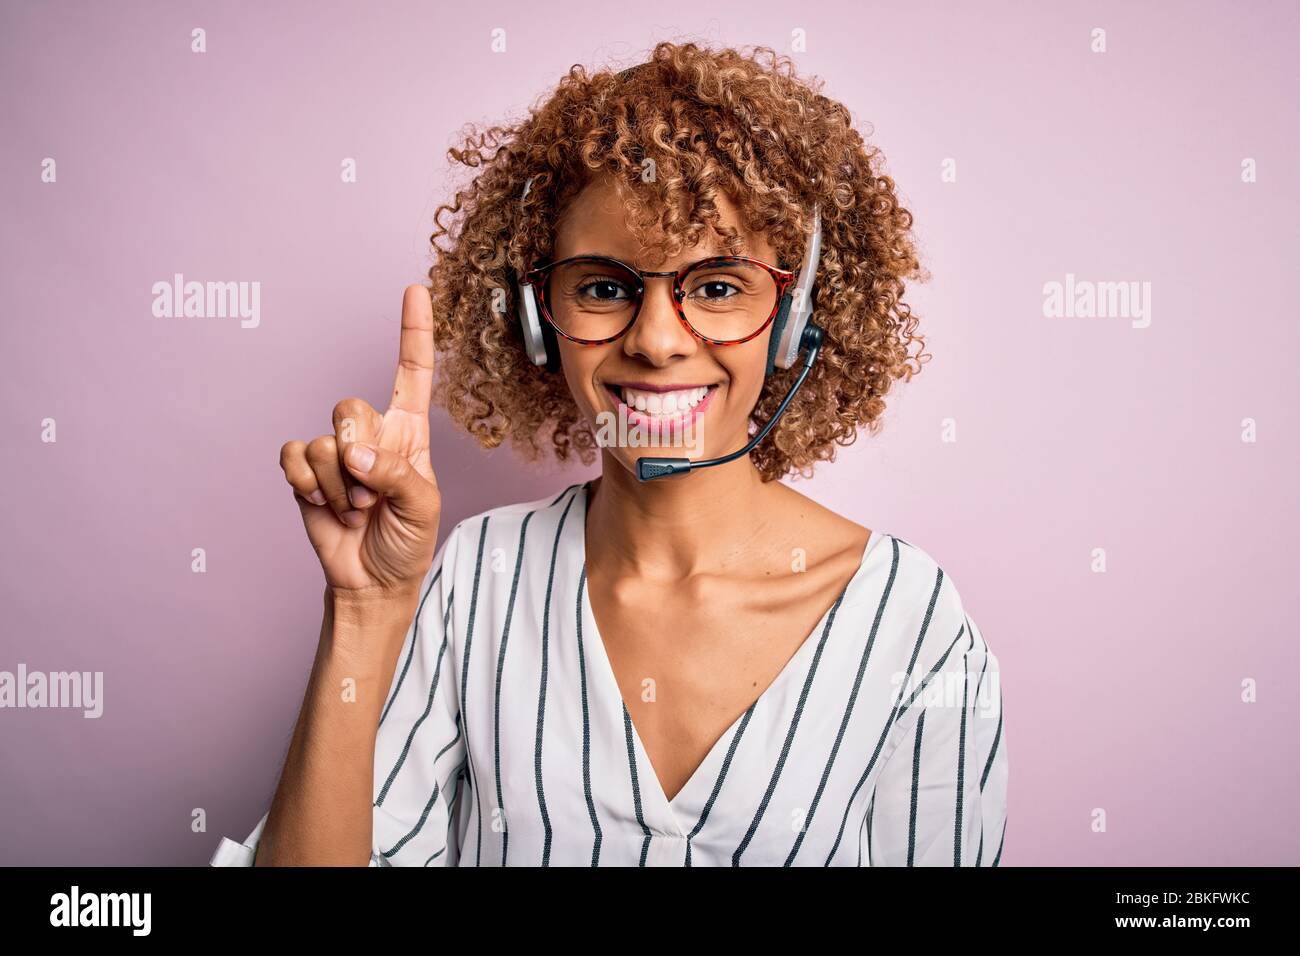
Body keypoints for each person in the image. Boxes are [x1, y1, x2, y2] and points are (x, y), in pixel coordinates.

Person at [211, 41, 1007, 867]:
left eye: (719, 285)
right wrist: (367, 608)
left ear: (795, 320)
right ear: (535, 320)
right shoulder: (478, 579)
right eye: (603, 287)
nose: (657, 342)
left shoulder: (913, 626)